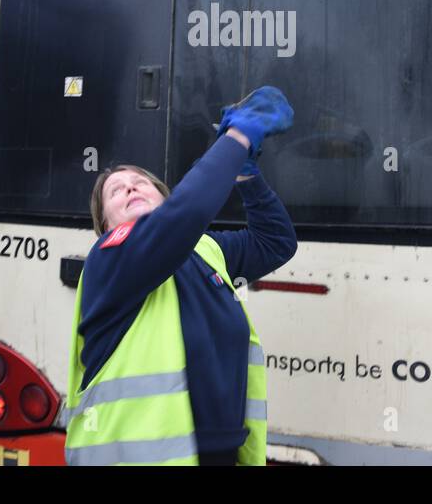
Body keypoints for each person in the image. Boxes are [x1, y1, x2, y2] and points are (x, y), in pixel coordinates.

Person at [63, 86, 297, 465]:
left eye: (141, 182)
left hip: (219, 454)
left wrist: (247, 176)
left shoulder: (203, 249)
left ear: (164, 197)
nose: (131, 187)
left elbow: (275, 242)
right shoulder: (111, 257)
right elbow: (187, 213)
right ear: (105, 225)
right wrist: (238, 137)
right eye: (116, 191)